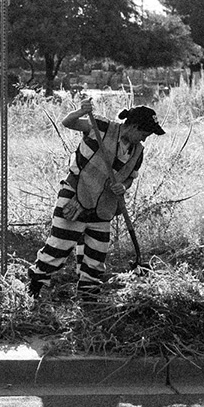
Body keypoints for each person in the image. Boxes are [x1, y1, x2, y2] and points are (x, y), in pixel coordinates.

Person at [26, 100, 164, 298]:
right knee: (59, 246)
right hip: (76, 196)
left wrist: (122, 186)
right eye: (144, 134)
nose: (145, 139)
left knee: (96, 255)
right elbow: (68, 122)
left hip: (104, 207)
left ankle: (88, 297)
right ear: (134, 126)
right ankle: (34, 288)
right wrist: (81, 111)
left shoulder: (137, 152)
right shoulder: (101, 127)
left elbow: (130, 180)